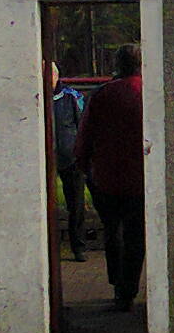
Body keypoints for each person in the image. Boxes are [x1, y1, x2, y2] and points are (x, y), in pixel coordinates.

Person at [75, 43, 144, 312]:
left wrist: (82, 165)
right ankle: (129, 287)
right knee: (136, 235)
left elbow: (86, 135)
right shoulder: (148, 92)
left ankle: (118, 284)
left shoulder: (101, 94)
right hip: (140, 178)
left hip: (105, 176)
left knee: (113, 231)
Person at [50, 63, 87, 262]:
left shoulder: (71, 96)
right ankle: (48, 247)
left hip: (71, 159)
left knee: (76, 204)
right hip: (44, 161)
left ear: (56, 75)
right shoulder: (33, 97)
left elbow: (82, 125)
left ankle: (78, 246)